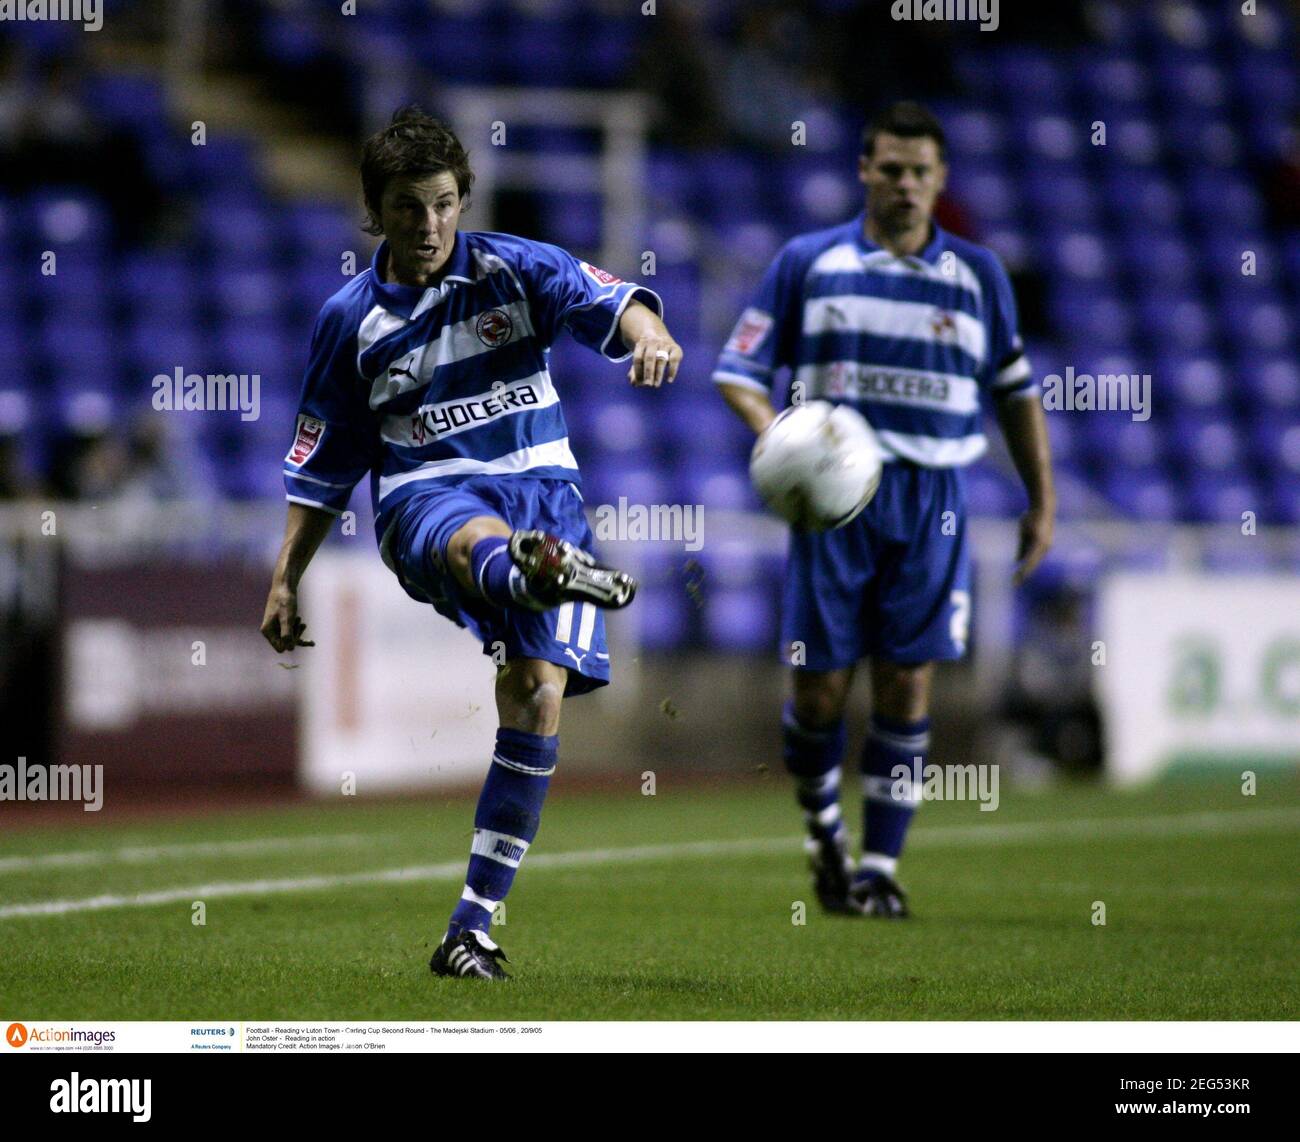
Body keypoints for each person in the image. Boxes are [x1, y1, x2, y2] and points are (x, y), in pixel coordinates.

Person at [260, 107, 681, 978]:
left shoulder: (515, 267)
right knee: (469, 538)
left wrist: (654, 339)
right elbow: (322, 467)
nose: (429, 225)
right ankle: (523, 571)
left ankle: (471, 928)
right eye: (409, 207)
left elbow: (611, 302)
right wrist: (284, 580)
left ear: (463, 200)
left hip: (544, 487)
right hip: (426, 493)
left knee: (535, 696)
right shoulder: (350, 321)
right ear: (377, 210)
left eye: (445, 203)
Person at [713, 102, 1054, 917]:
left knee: (907, 680)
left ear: (940, 181)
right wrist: (787, 439)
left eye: (920, 172)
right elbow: (736, 370)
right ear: (864, 171)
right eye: (890, 169)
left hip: (933, 498)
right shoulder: (810, 261)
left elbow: (1016, 394)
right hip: (833, 508)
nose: (905, 184)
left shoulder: (978, 277)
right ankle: (823, 823)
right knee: (821, 692)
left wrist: (1043, 499)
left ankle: (880, 871)